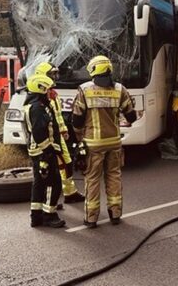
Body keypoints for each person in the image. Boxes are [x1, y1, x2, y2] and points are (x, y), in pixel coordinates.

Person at [71, 55, 137, 228]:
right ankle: (115, 214)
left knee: (92, 179)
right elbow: (131, 116)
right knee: (114, 176)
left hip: (93, 143)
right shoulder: (120, 89)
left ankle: (91, 218)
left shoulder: (85, 90)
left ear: (93, 70)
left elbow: (77, 120)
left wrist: (79, 136)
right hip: (114, 142)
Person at [33, 62, 85, 207]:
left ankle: (69, 193)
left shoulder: (52, 94)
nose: (55, 77)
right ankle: (48, 202)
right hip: (49, 139)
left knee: (66, 164)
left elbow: (58, 116)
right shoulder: (40, 97)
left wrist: (64, 130)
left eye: (55, 74)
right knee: (49, 171)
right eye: (51, 74)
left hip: (58, 136)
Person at [23, 73, 66, 228]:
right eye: (49, 89)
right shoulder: (38, 108)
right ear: (40, 89)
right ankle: (49, 215)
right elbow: (39, 132)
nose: (52, 92)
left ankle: (36, 216)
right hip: (43, 152)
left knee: (39, 184)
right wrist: (48, 152)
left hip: (38, 151)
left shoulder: (35, 105)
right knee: (53, 183)